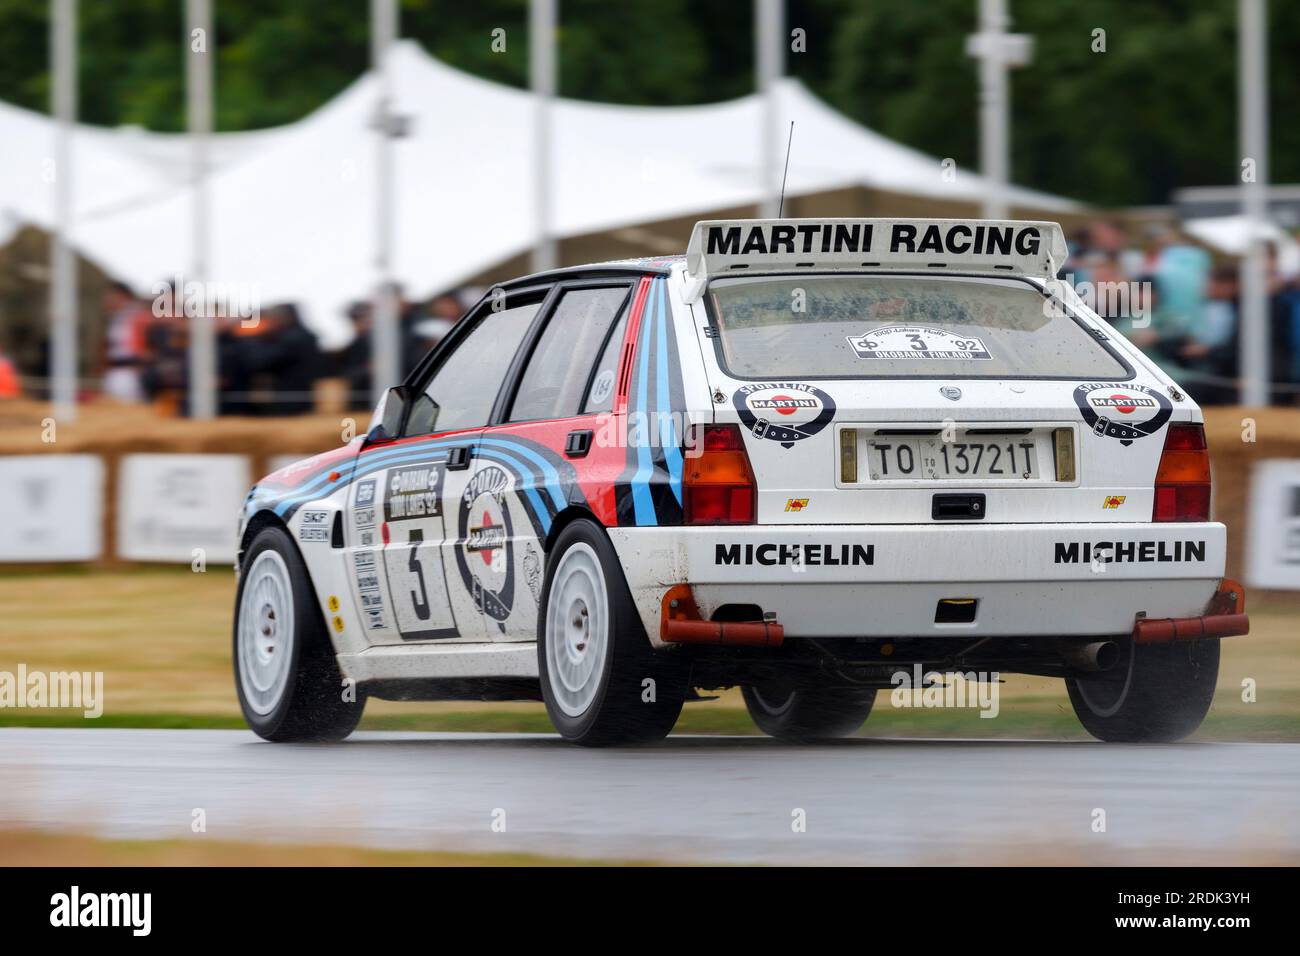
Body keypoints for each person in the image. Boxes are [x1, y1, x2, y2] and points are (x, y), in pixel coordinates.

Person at [100, 281, 152, 402]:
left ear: (121, 295)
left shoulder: (137, 315)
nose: (107, 299)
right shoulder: (117, 316)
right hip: (116, 371)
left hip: (130, 372)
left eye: (110, 295)